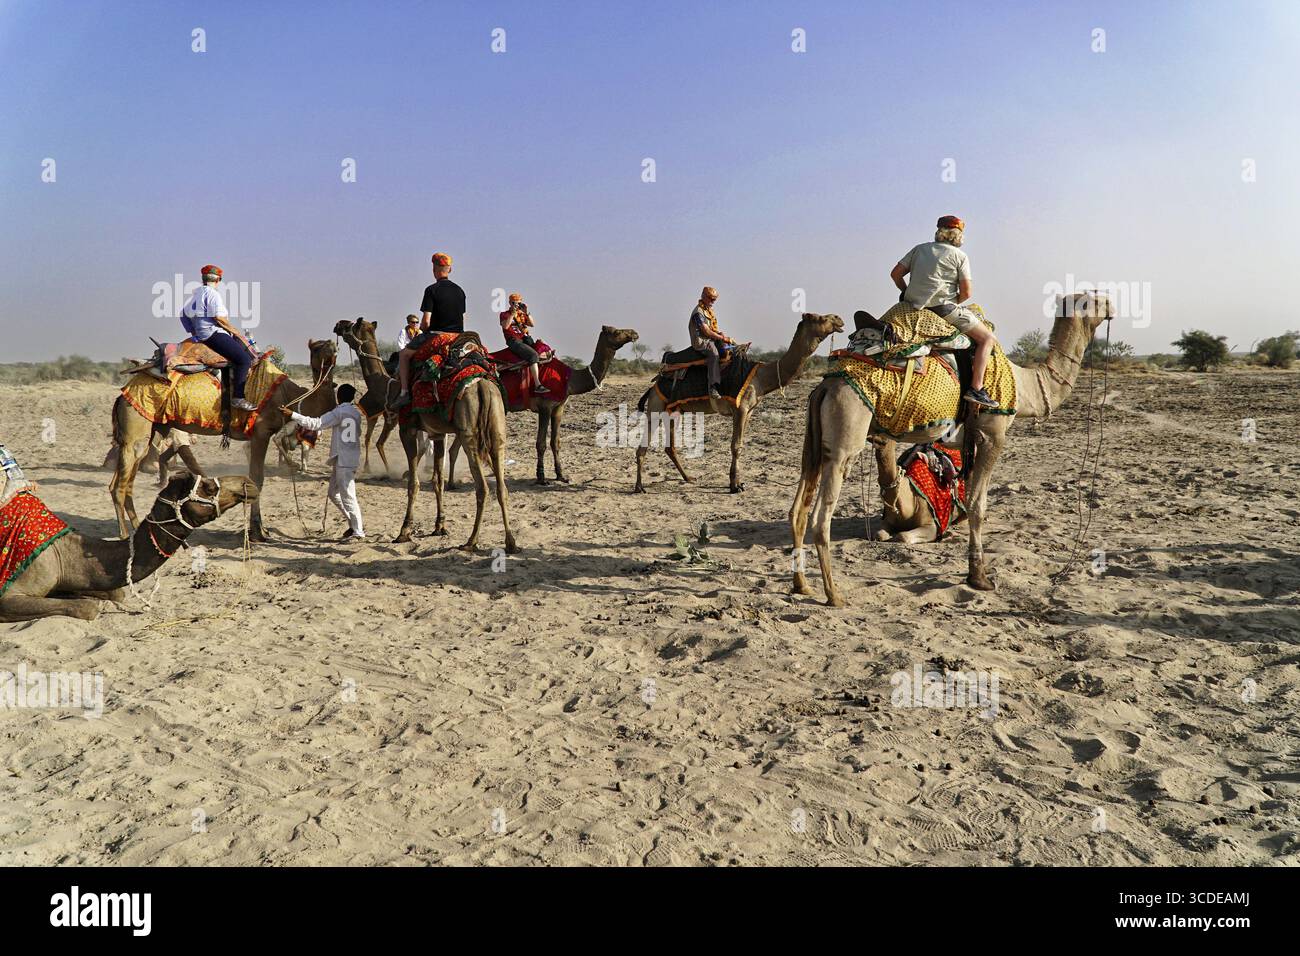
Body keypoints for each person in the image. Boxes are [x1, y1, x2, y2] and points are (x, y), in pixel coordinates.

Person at [890, 216, 998, 408]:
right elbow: (966, 293)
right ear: (958, 235)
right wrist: (952, 301)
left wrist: (906, 291)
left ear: (939, 231)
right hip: (943, 309)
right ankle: (976, 388)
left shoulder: (919, 249)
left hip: (910, 306)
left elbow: (895, 274)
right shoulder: (960, 256)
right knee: (988, 339)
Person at [391, 253, 478, 408]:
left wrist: (423, 330)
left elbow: (425, 322)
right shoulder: (460, 291)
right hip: (459, 337)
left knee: (404, 355)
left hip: (437, 337)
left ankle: (404, 393)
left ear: (434, 269)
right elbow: (463, 318)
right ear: (450, 269)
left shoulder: (431, 290)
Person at [280, 384, 365, 542]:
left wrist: (293, 414)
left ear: (338, 397)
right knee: (334, 494)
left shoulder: (339, 412)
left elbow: (316, 424)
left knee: (348, 495)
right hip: (348, 457)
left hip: (344, 459)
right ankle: (354, 524)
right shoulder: (356, 413)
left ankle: (359, 532)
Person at [181, 264, 259, 411]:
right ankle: (238, 398)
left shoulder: (196, 294)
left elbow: (183, 314)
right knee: (244, 360)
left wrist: (193, 332)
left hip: (203, 334)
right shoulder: (212, 294)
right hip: (213, 334)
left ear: (203, 279)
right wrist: (235, 332)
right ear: (218, 280)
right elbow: (220, 318)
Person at [689, 286, 735, 400]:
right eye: (711, 299)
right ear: (704, 297)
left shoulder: (708, 310)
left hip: (710, 338)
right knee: (714, 354)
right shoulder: (698, 312)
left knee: (732, 349)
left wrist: (721, 334)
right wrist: (721, 338)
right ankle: (713, 387)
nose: (713, 302)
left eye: (714, 299)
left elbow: (712, 328)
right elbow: (706, 331)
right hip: (702, 341)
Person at [500, 293, 549, 395]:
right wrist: (512, 314)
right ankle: (537, 385)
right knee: (533, 355)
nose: (517, 305)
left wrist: (526, 313)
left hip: (525, 339)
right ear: (510, 303)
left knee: (544, 350)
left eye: (519, 303)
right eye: (514, 303)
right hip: (513, 340)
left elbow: (532, 324)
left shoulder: (522, 315)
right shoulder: (504, 314)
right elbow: (505, 326)